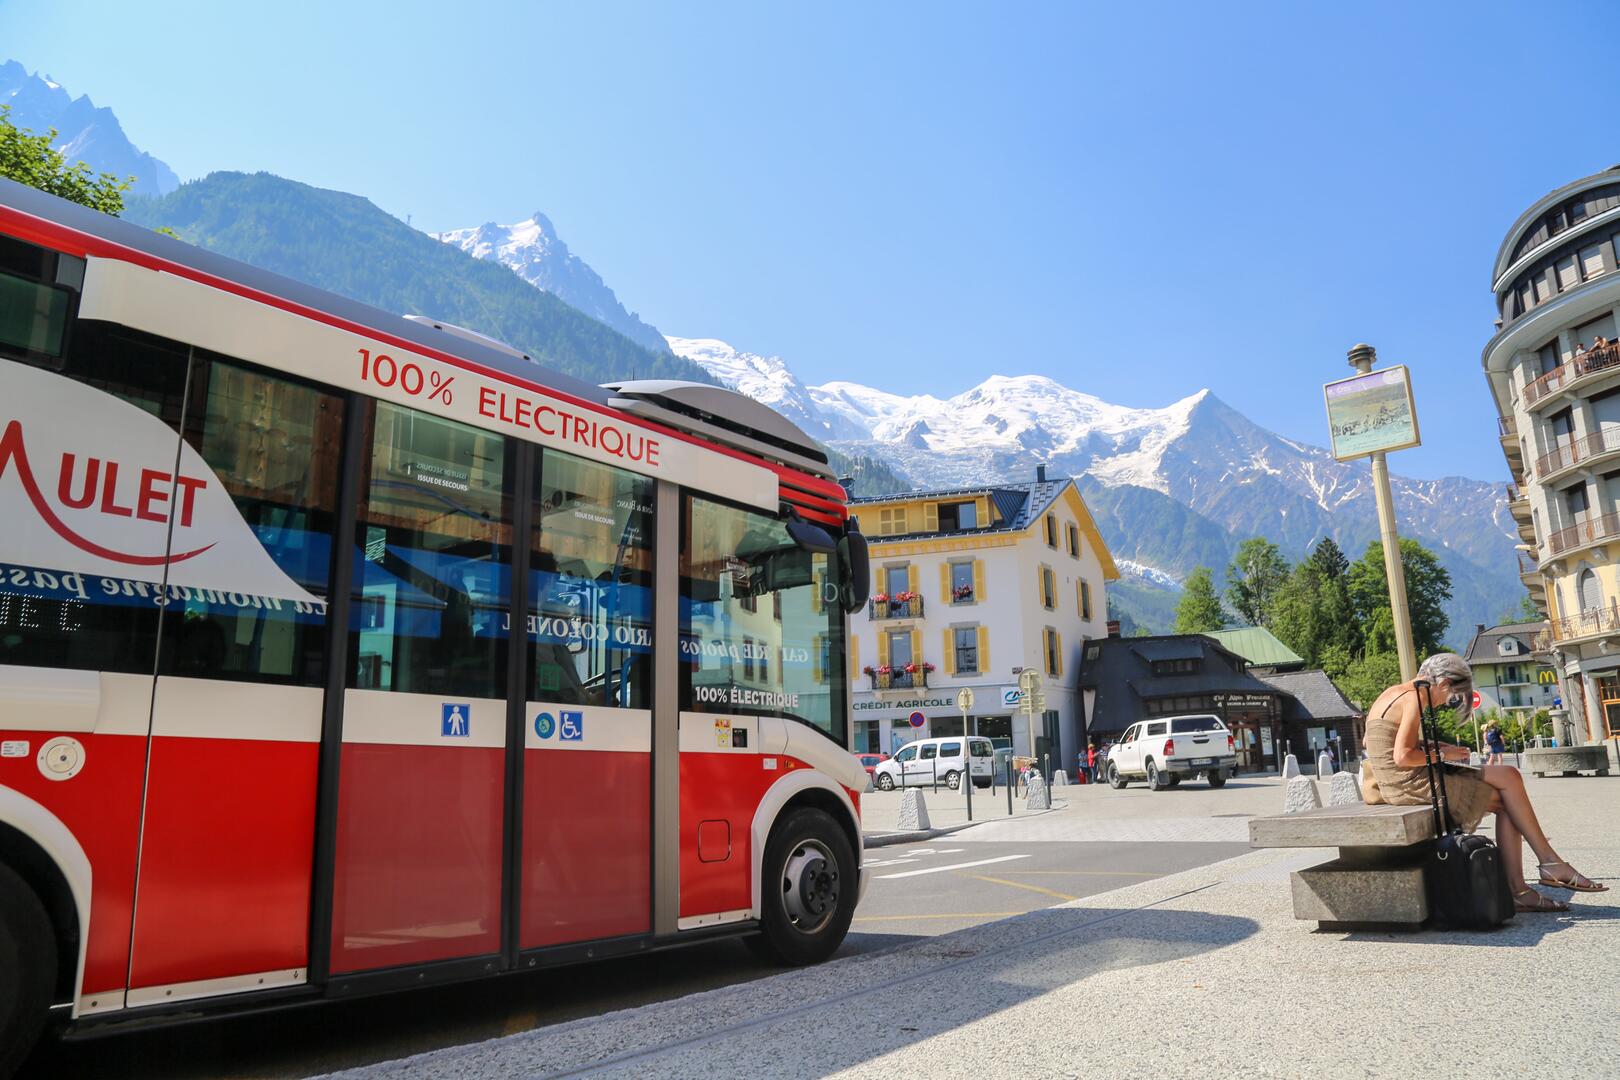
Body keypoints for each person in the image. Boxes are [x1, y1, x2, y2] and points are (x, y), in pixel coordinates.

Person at [1365, 652, 1607, 913]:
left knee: (1510, 779)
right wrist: (1446, 754)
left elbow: (1374, 743)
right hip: (1409, 783)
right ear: (1444, 683)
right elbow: (1402, 757)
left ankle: (1536, 874)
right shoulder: (1416, 696)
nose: (1442, 705)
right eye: (1450, 698)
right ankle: (1533, 877)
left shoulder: (1396, 692)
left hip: (1401, 780)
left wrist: (1432, 746)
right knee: (1507, 799)